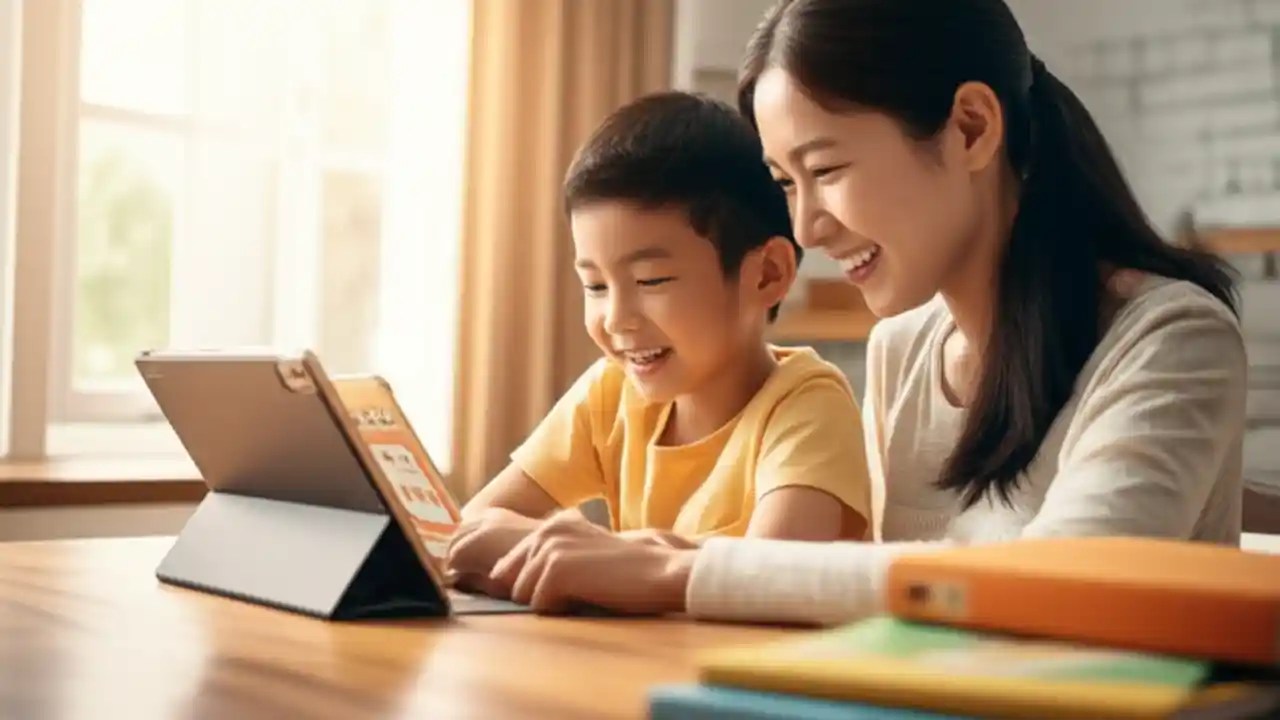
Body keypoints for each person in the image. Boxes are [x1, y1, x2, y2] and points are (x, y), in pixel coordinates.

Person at [478, 0, 1248, 623]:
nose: (807, 227)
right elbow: (890, 599)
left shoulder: (1170, 338)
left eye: (828, 169)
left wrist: (681, 568)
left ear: (972, 128)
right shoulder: (903, 348)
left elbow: (1066, 587)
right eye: (785, 183)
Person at [447, 92, 872, 594]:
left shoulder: (807, 406)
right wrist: (577, 550)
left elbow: (770, 580)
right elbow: (474, 530)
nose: (617, 319)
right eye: (596, 286)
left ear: (767, 276)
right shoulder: (611, 393)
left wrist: (603, 554)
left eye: (651, 281)